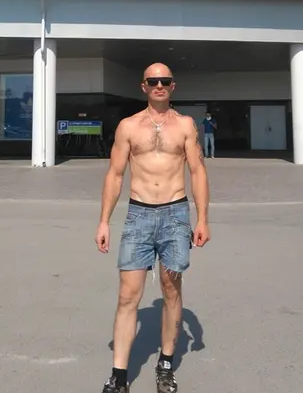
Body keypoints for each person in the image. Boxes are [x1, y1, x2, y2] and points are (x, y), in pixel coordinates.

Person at [95, 63, 211, 393]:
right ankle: (119, 376)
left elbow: (197, 171)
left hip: (175, 215)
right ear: (143, 86)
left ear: (173, 86)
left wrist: (202, 218)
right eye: (153, 81)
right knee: (127, 295)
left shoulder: (185, 125)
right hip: (139, 215)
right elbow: (115, 175)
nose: (159, 85)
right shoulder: (128, 126)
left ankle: (165, 365)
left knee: (171, 290)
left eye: (165, 80)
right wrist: (104, 221)